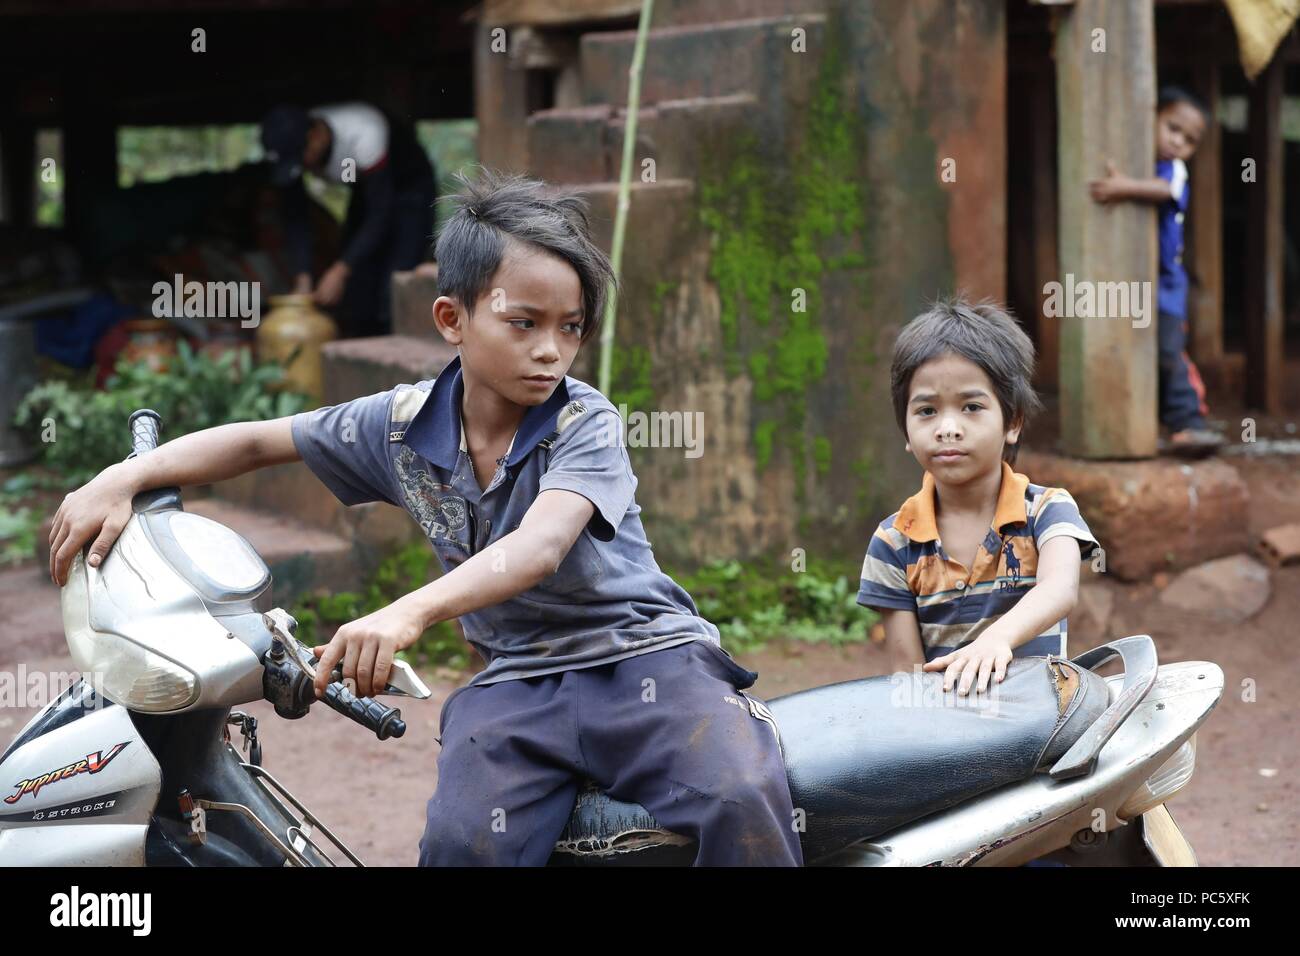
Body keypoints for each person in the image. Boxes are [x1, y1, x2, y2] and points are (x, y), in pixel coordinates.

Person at [47, 169, 802, 868]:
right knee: (461, 842)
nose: (551, 351)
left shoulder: (586, 424)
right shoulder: (401, 425)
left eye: (571, 328)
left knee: (739, 795)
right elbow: (254, 442)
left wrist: (406, 614)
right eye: (525, 322)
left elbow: (537, 549)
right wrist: (126, 475)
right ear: (452, 319)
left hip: (646, 660)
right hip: (518, 683)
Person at [857, 298, 1100, 693]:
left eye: (971, 407)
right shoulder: (892, 542)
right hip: (950, 738)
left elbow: (1060, 589)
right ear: (905, 431)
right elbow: (908, 674)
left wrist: (995, 640)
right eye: (926, 411)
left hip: (1042, 730)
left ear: (1013, 422)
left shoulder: (1047, 511)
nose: (948, 428)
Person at [1088, 85, 1223, 456]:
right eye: (1172, 128)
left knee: (1168, 351)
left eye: (1189, 140)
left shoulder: (1172, 172)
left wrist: (1122, 187)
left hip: (1166, 284)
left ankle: (1190, 421)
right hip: (1128, 282)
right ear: (1151, 118)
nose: (1177, 142)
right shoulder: (1134, 161)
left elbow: (1164, 191)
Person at [261, 102, 436, 337]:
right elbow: (297, 219)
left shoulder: (364, 131)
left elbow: (380, 214)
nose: (301, 167)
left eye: (302, 159)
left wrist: (340, 270)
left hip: (408, 191)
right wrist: (303, 276)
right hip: (365, 189)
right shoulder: (295, 152)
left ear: (316, 136)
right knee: (358, 290)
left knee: (393, 286)